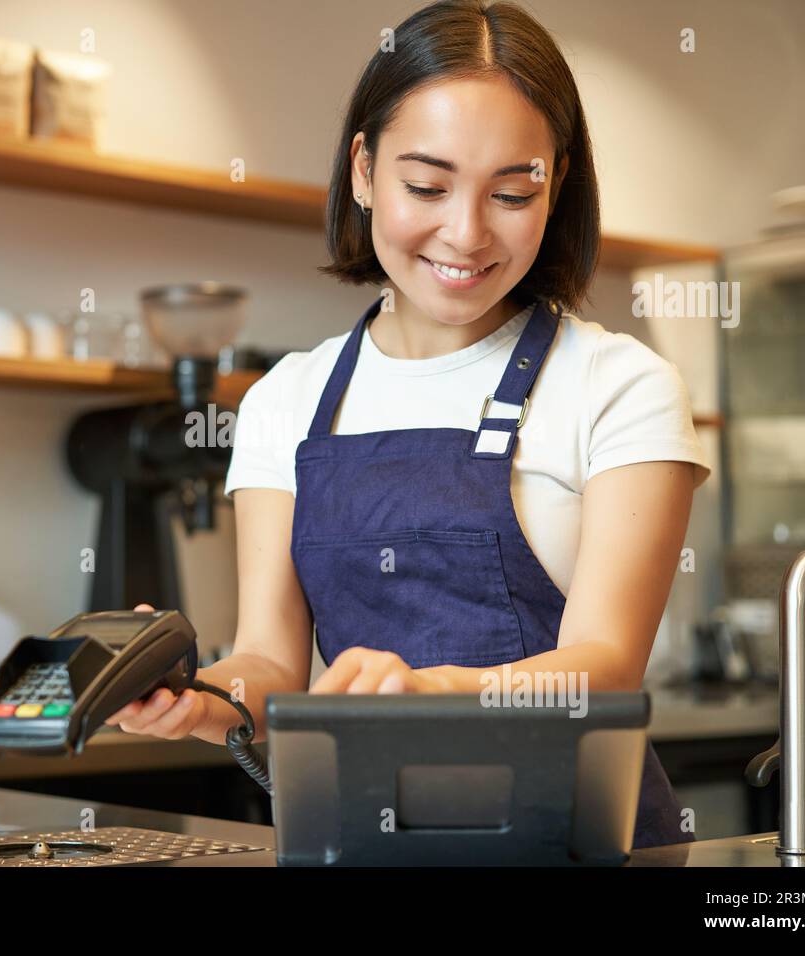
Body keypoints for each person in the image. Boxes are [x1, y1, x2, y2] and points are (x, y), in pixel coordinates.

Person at [105, 0, 710, 850]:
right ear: (362, 169)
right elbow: (271, 673)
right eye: (426, 186)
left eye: (512, 191)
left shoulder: (620, 386)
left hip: (575, 847)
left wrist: (430, 694)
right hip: (359, 840)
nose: (465, 233)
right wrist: (196, 697)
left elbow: (602, 672)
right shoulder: (289, 398)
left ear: (557, 184)